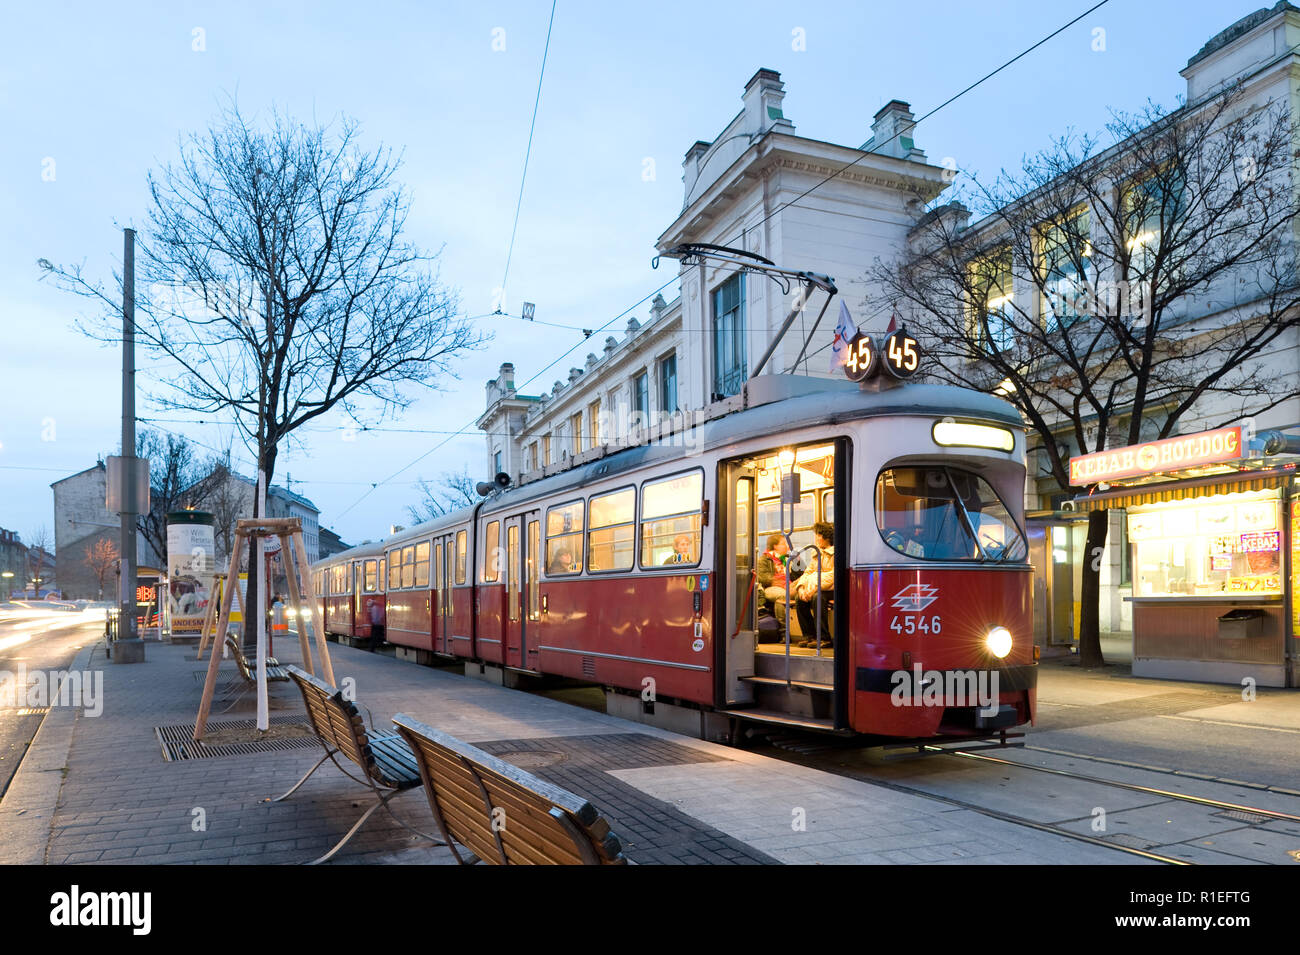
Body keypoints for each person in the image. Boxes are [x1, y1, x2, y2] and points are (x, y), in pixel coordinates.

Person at [794, 522, 835, 648]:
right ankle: (809, 635)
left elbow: (833, 576)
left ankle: (824, 637)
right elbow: (808, 572)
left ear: (827, 537)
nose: (816, 538)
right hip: (817, 587)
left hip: (832, 588)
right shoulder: (817, 554)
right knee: (798, 598)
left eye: (818, 535)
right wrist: (801, 588)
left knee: (818, 597)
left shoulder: (835, 553)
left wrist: (815, 587)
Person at [756, 533, 790, 632]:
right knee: (782, 596)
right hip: (771, 587)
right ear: (775, 546)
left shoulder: (789, 559)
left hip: (788, 584)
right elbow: (762, 577)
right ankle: (784, 631)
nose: (787, 546)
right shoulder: (764, 559)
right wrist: (774, 580)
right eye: (783, 543)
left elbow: (801, 573)